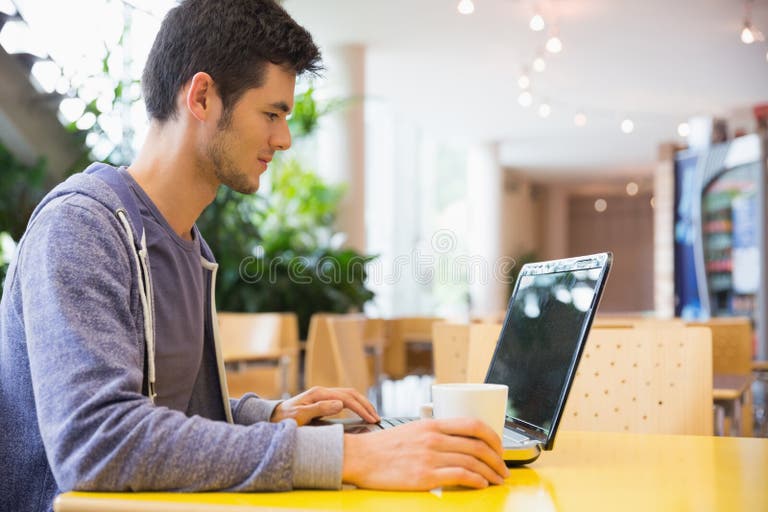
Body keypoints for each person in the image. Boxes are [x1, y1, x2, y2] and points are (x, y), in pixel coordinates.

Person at [0, 1, 508, 510]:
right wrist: (350, 457)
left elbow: (169, 412)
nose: (283, 139)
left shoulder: (187, 245)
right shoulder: (81, 228)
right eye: (271, 113)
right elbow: (98, 444)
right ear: (202, 96)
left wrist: (267, 416)